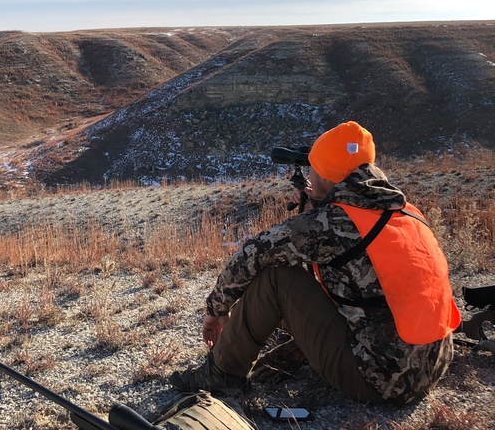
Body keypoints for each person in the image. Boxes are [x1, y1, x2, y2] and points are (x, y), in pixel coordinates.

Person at [169, 121, 461, 404]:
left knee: (277, 275)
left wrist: (215, 310)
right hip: (431, 367)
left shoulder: (330, 224)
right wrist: (315, 210)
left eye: (314, 169)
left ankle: (220, 374)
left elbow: (254, 252)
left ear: (325, 174)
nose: (309, 175)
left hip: (381, 382)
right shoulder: (407, 213)